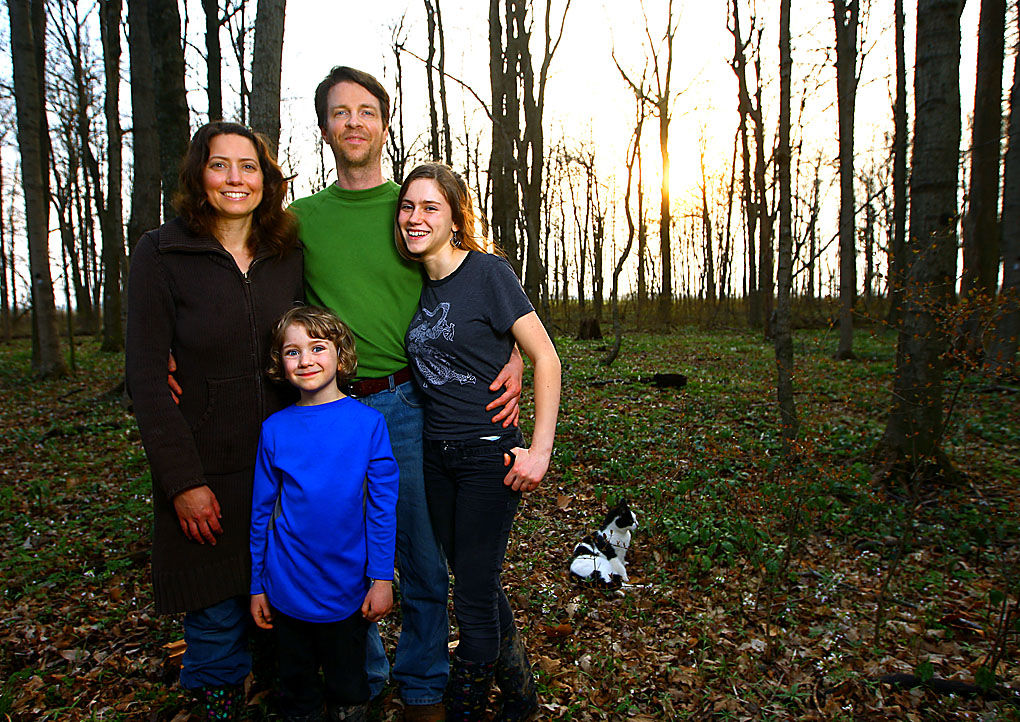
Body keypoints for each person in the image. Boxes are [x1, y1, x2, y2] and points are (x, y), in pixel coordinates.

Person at [288, 66, 523, 722]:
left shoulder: (413, 207)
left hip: (408, 405)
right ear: (325, 127)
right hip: (332, 411)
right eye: (340, 112)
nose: (354, 122)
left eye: (367, 110)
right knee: (344, 552)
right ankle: (358, 683)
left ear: (385, 124)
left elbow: (476, 280)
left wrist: (512, 354)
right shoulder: (301, 219)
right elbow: (255, 294)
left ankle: (423, 686)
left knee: (423, 558)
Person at [126, 121, 303, 720]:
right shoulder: (161, 252)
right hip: (206, 469)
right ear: (198, 176)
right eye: (220, 165)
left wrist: (502, 339)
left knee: (287, 618)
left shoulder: (287, 253)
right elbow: (147, 379)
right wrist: (182, 482)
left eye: (248, 166)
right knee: (215, 621)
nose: (235, 178)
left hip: (283, 470)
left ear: (266, 178)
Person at [396, 162, 561, 721]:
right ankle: (518, 700)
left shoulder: (487, 272)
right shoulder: (412, 282)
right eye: (408, 207)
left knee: (470, 596)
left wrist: (539, 451)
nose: (416, 218)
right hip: (435, 456)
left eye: (430, 207)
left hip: (488, 455)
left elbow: (546, 357)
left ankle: (467, 705)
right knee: (473, 583)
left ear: (455, 216)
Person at [250, 306, 399, 722]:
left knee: (349, 689)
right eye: (292, 351)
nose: (306, 360)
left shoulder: (369, 424)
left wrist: (382, 579)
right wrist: (257, 585)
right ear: (280, 363)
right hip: (285, 588)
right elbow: (261, 513)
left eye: (317, 348)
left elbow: (382, 509)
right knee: (297, 692)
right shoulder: (274, 429)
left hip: (346, 590)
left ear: (341, 355)